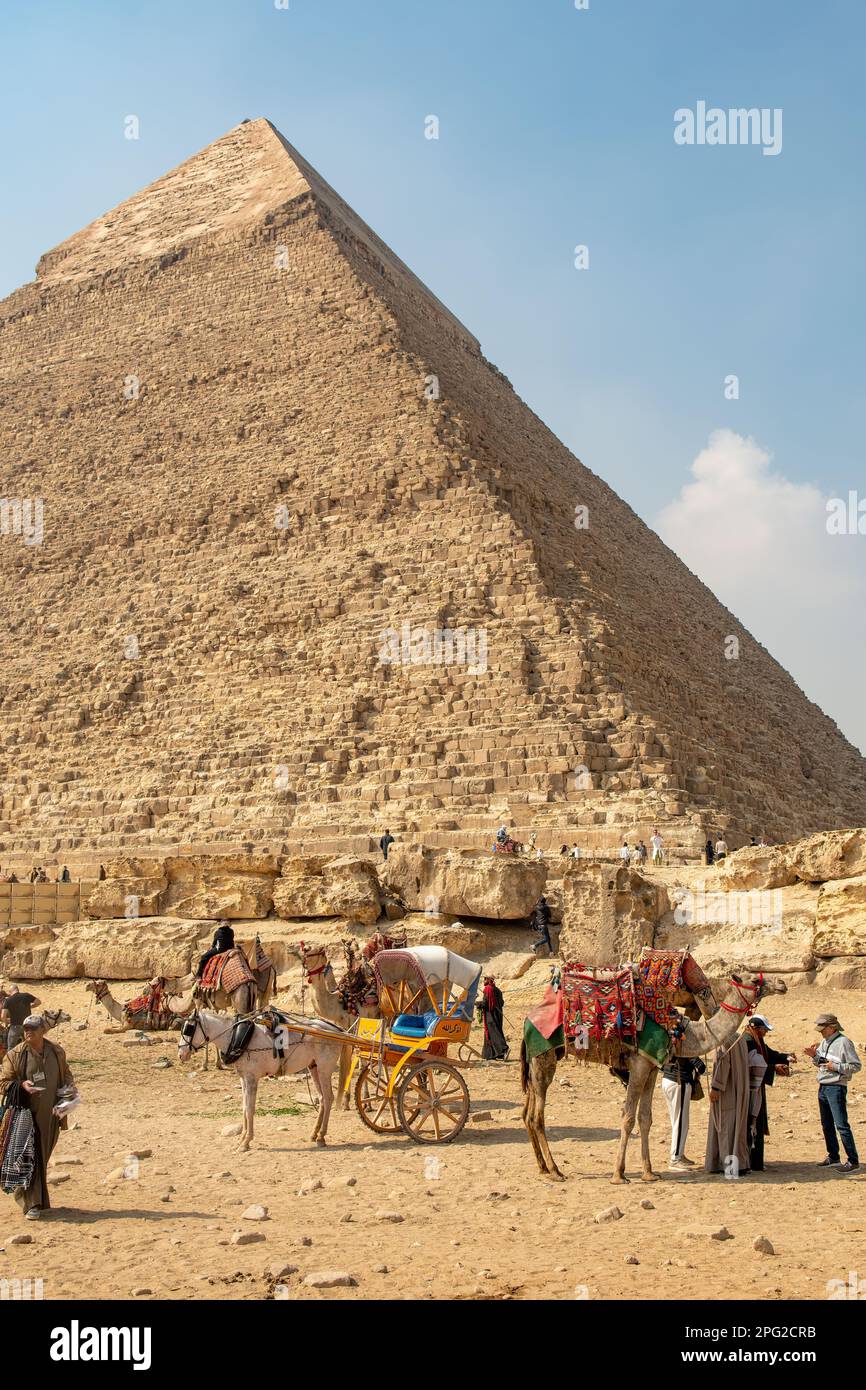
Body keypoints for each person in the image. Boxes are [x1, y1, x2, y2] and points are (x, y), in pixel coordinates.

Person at [0, 1015, 77, 1219]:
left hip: (52, 1116)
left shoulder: (56, 1052)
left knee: (41, 1157)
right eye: (26, 1028)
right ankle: (31, 1204)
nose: (28, 1032)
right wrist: (21, 1086)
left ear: (43, 1030)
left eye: (33, 1028)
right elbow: (3, 1082)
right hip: (26, 1117)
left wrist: (69, 1094)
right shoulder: (15, 1055)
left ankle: (39, 1201)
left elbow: (66, 1075)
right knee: (28, 1157)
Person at [805, 1013, 861, 1172]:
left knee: (841, 1125)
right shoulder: (824, 1042)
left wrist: (836, 1067)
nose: (820, 1032)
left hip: (836, 1087)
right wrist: (814, 1056)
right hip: (823, 1086)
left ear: (832, 1027)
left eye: (823, 1029)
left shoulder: (844, 1042)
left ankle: (853, 1160)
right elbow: (822, 1064)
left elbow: (856, 1066)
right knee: (827, 1124)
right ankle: (834, 1156)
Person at [744, 1014, 793, 1171]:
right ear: (756, 1028)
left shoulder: (756, 1039)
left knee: (757, 1122)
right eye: (764, 1030)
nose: (765, 1033)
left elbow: (768, 1054)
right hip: (750, 1090)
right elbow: (752, 1067)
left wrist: (786, 1057)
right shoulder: (747, 1041)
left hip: (758, 1088)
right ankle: (752, 1163)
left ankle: (757, 1162)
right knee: (752, 1123)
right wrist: (774, 1069)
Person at [705, 1032, 751, 1175]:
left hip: (728, 1092)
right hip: (740, 1089)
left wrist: (716, 1087)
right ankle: (739, 1164)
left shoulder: (724, 1040)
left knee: (726, 1127)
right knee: (735, 1127)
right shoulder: (739, 1038)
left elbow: (722, 1062)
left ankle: (729, 1166)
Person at [661, 1054, 706, 1170]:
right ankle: (675, 1158)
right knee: (681, 1123)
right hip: (679, 1082)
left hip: (667, 1079)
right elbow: (700, 1066)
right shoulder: (685, 1043)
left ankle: (678, 1153)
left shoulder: (670, 1039)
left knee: (676, 1121)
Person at [477, 976, 509, 1060]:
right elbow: (502, 1003)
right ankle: (492, 1054)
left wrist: (477, 1004)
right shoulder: (498, 990)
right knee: (494, 1033)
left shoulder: (487, 989)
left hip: (490, 1015)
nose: (483, 981)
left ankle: (504, 1049)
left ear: (488, 980)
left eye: (485, 979)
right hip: (498, 1014)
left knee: (495, 1034)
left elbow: (485, 1003)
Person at [2, 986, 41, 1051]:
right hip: (27, 1027)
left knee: (11, 1047)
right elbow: (38, 1002)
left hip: (15, 1027)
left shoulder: (8, 1000)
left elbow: (3, 1016)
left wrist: (7, 1022)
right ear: (17, 989)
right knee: (30, 1046)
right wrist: (30, 1006)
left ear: (10, 992)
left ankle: (11, 1060)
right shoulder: (26, 995)